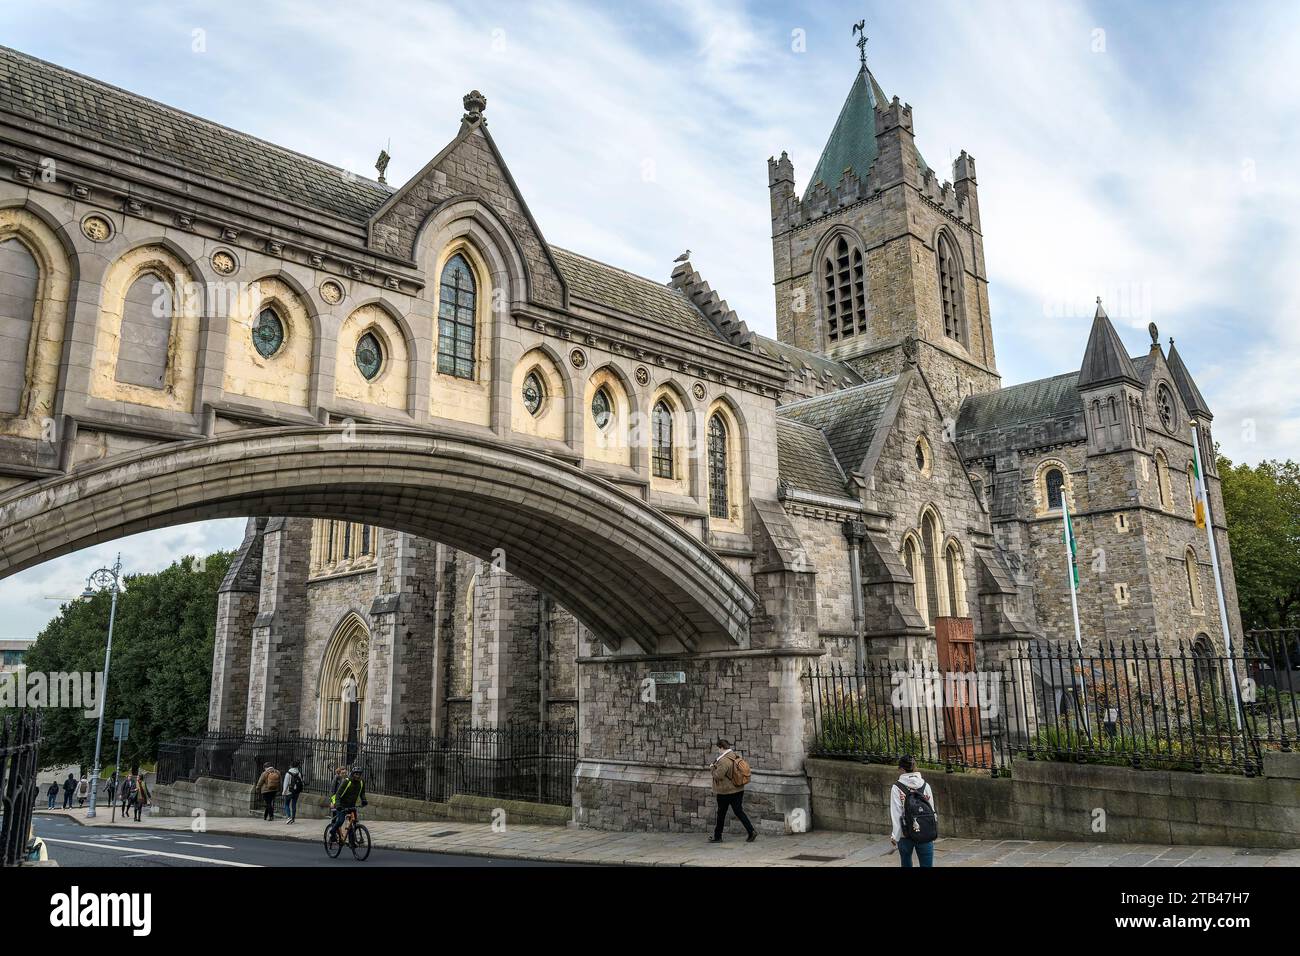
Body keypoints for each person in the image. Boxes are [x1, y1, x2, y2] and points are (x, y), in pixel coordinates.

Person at [890, 755, 938, 868]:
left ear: (901, 769)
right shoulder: (925, 786)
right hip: (925, 831)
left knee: (906, 863)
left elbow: (896, 813)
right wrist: (933, 829)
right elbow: (931, 810)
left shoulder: (897, 788)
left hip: (905, 833)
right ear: (915, 767)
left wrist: (895, 836)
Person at [707, 737, 756, 844]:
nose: (718, 751)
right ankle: (751, 831)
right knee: (739, 811)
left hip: (726, 792)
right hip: (738, 789)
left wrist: (712, 768)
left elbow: (718, 775)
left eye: (718, 748)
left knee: (721, 814)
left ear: (721, 747)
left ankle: (717, 836)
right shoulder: (735, 756)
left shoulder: (724, 760)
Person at [327, 765, 367, 843]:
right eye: (356, 774)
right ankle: (332, 831)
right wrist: (337, 804)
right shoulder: (347, 781)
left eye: (359, 774)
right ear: (353, 774)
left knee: (353, 822)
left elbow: (362, 793)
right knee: (340, 820)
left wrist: (364, 800)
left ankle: (352, 842)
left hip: (351, 805)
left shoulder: (361, 782)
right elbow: (338, 794)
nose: (358, 776)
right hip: (342, 804)